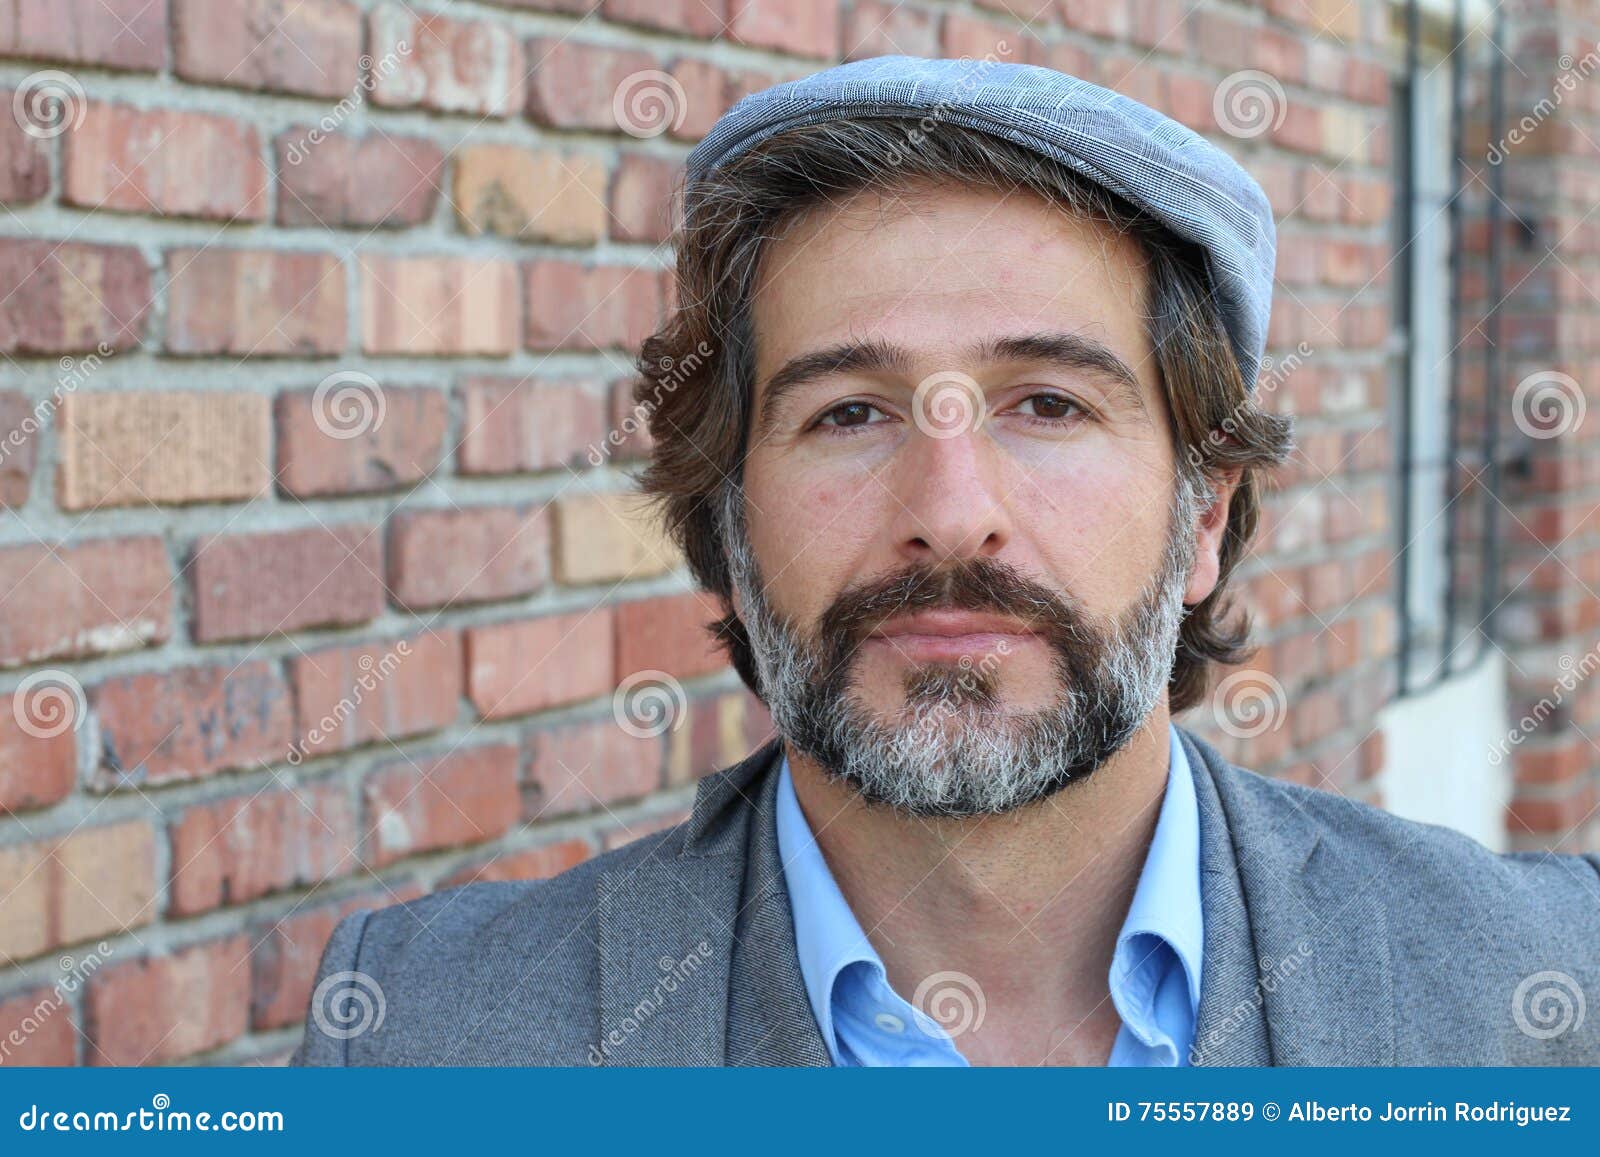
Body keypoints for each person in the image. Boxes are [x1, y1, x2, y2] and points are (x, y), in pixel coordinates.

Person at [294, 56, 1599, 1067]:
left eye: (1049, 404)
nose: (953, 511)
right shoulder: (419, 1034)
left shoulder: (1539, 993)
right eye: (849, 411)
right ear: (729, 528)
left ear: (1204, 517)